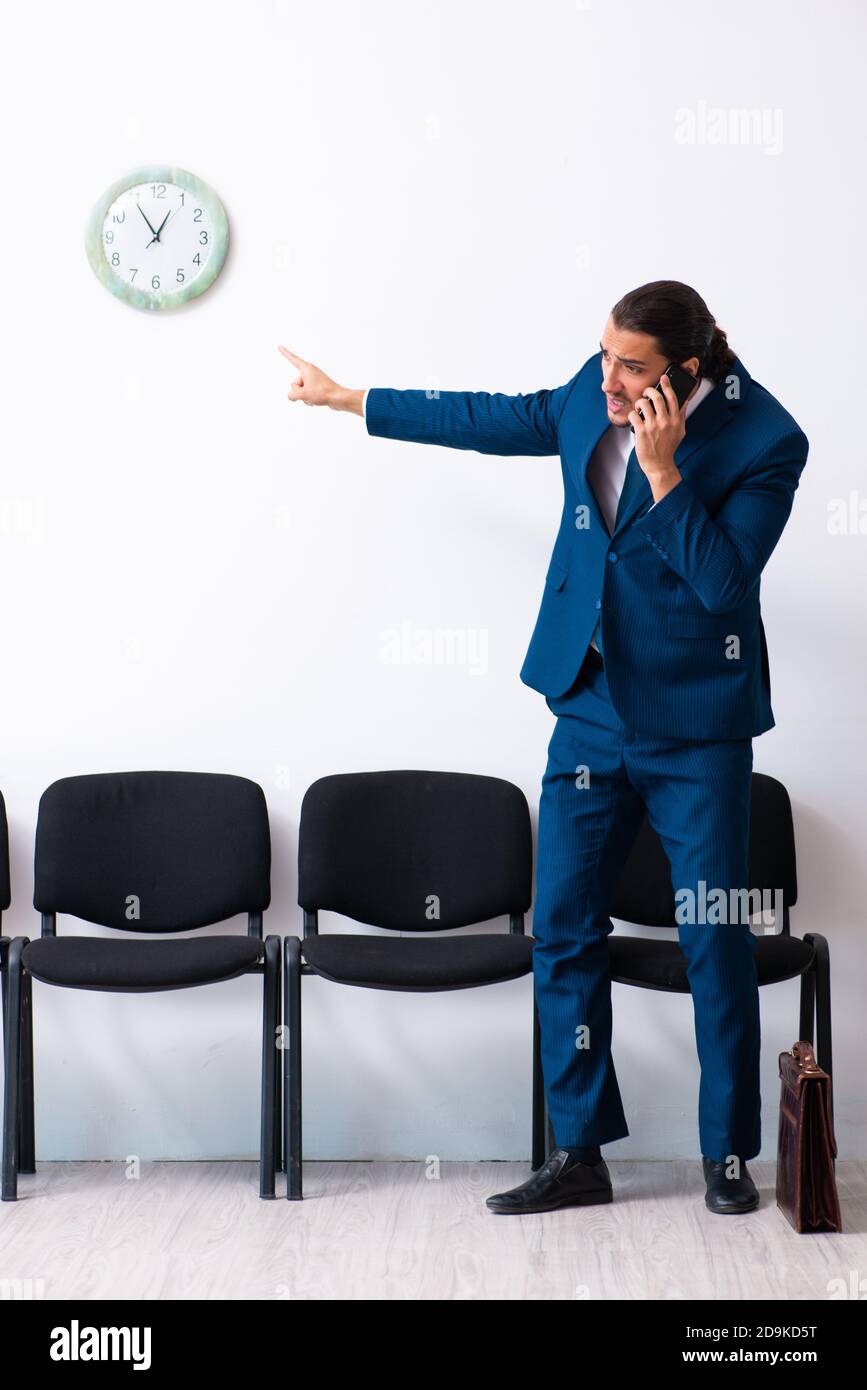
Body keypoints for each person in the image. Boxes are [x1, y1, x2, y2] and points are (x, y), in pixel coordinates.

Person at [278, 279, 809, 1216]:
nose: (606, 379)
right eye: (602, 354)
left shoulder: (766, 439)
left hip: (699, 729)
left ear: (684, 371)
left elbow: (727, 589)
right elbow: (502, 415)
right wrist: (354, 398)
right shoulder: (591, 387)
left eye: (630, 366)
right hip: (588, 708)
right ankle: (579, 1154)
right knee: (562, 929)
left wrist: (664, 472)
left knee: (713, 940)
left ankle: (726, 1157)